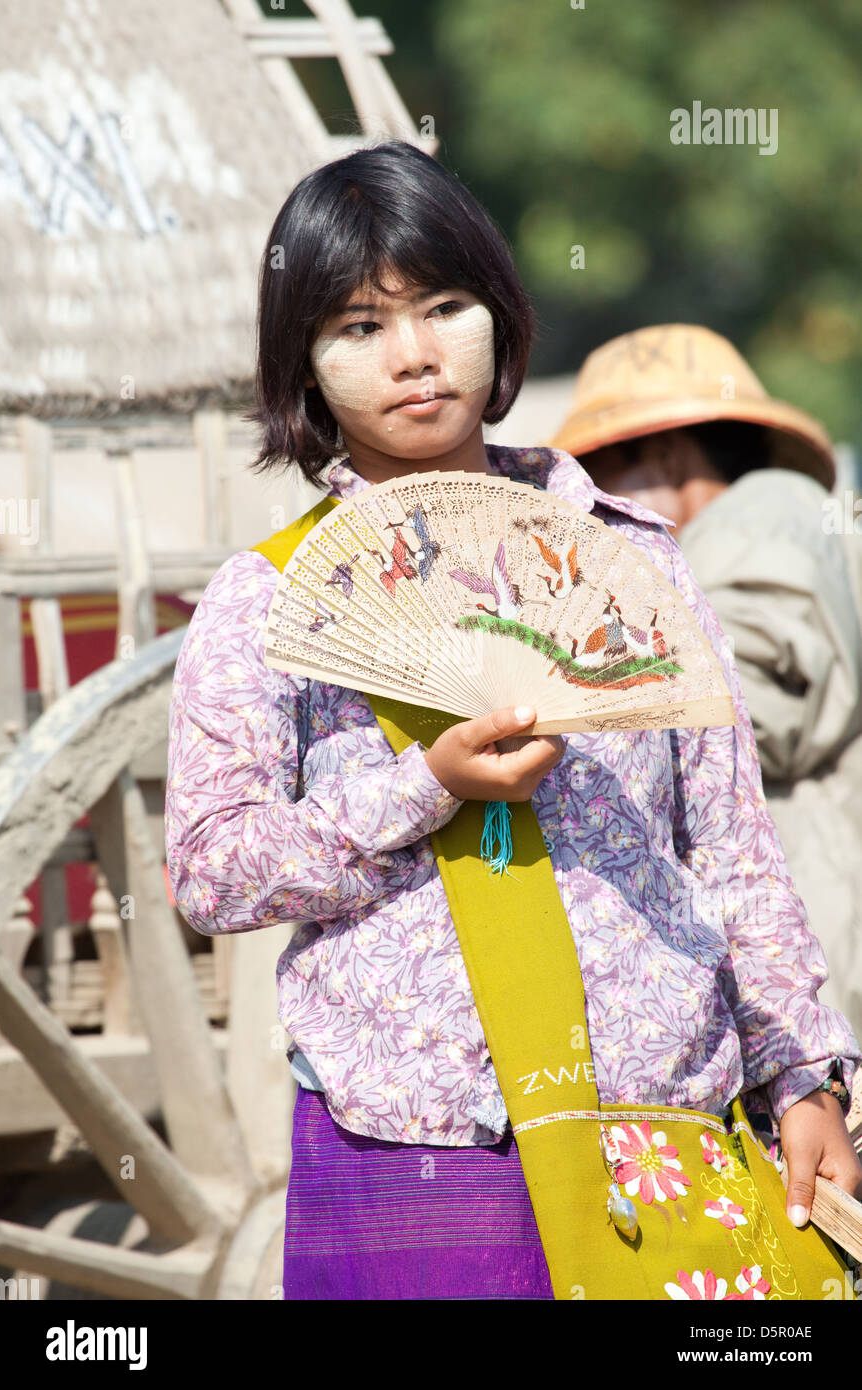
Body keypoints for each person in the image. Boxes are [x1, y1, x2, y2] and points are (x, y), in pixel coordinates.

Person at [164, 144, 862, 1301]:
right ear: (303, 366)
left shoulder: (630, 559)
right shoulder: (271, 598)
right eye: (356, 326)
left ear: (500, 315)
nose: (415, 356)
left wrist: (802, 1077)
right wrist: (420, 786)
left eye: (444, 307)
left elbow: (734, 852)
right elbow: (209, 873)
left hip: (662, 1128)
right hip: (418, 1152)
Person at [548, 326, 862, 1050]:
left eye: (601, 478)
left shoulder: (765, 508)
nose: (590, 509)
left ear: (664, 454)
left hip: (801, 927)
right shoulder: (723, 544)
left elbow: (758, 710)